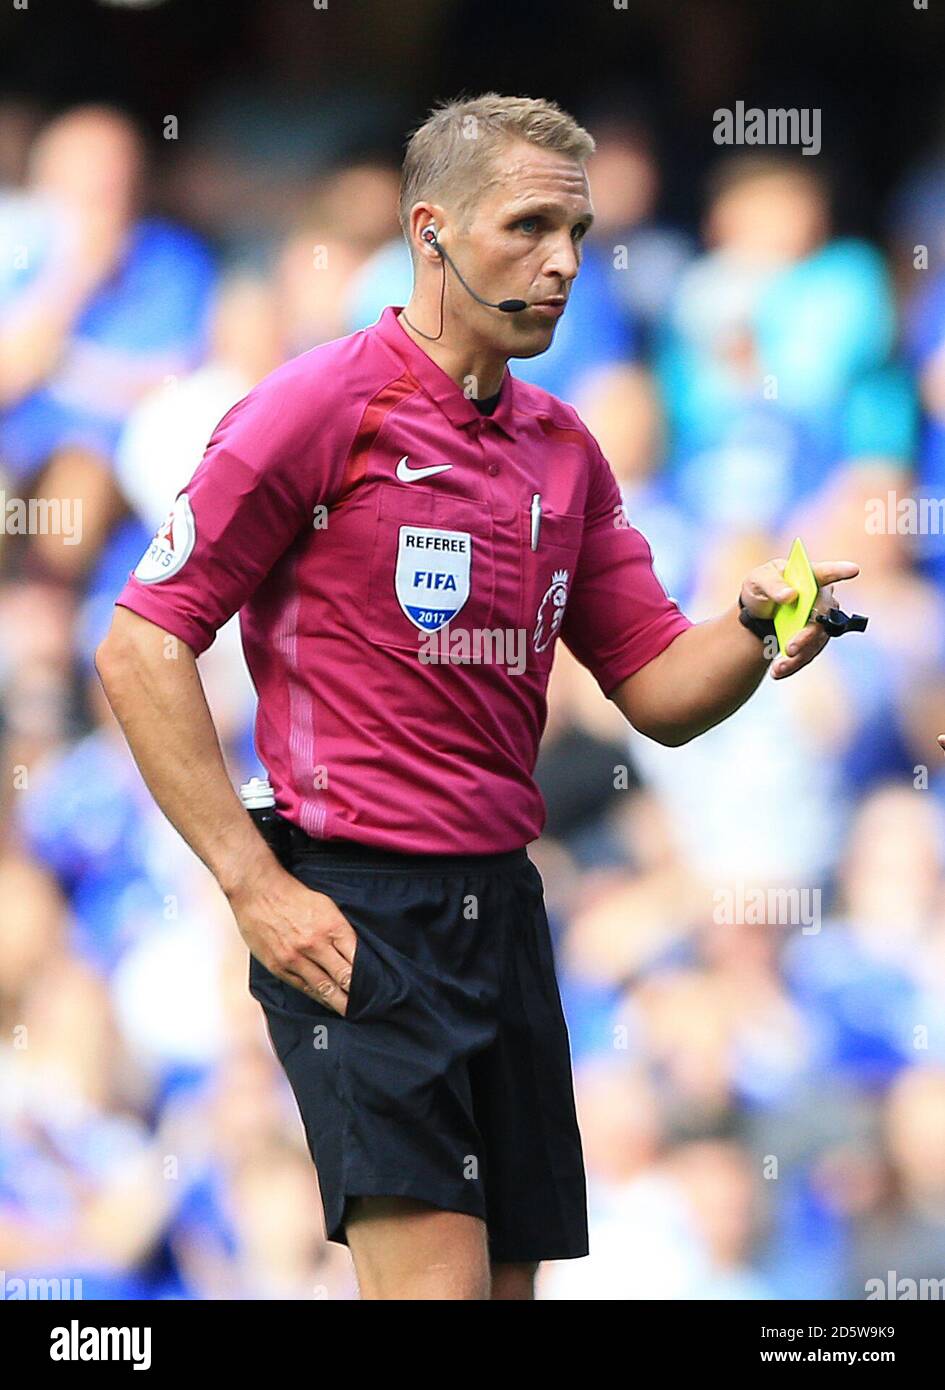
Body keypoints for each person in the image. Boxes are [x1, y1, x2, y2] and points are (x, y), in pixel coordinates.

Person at [94, 92, 860, 1301]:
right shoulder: (317, 407)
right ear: (431, 231)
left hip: (504, 907)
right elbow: (140, 645)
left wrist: (756, 626)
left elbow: (657, 687)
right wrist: (252, 888)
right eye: (530, 227)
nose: (563, 263)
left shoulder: (566, 447)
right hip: (355, 910)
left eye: (579, 233)